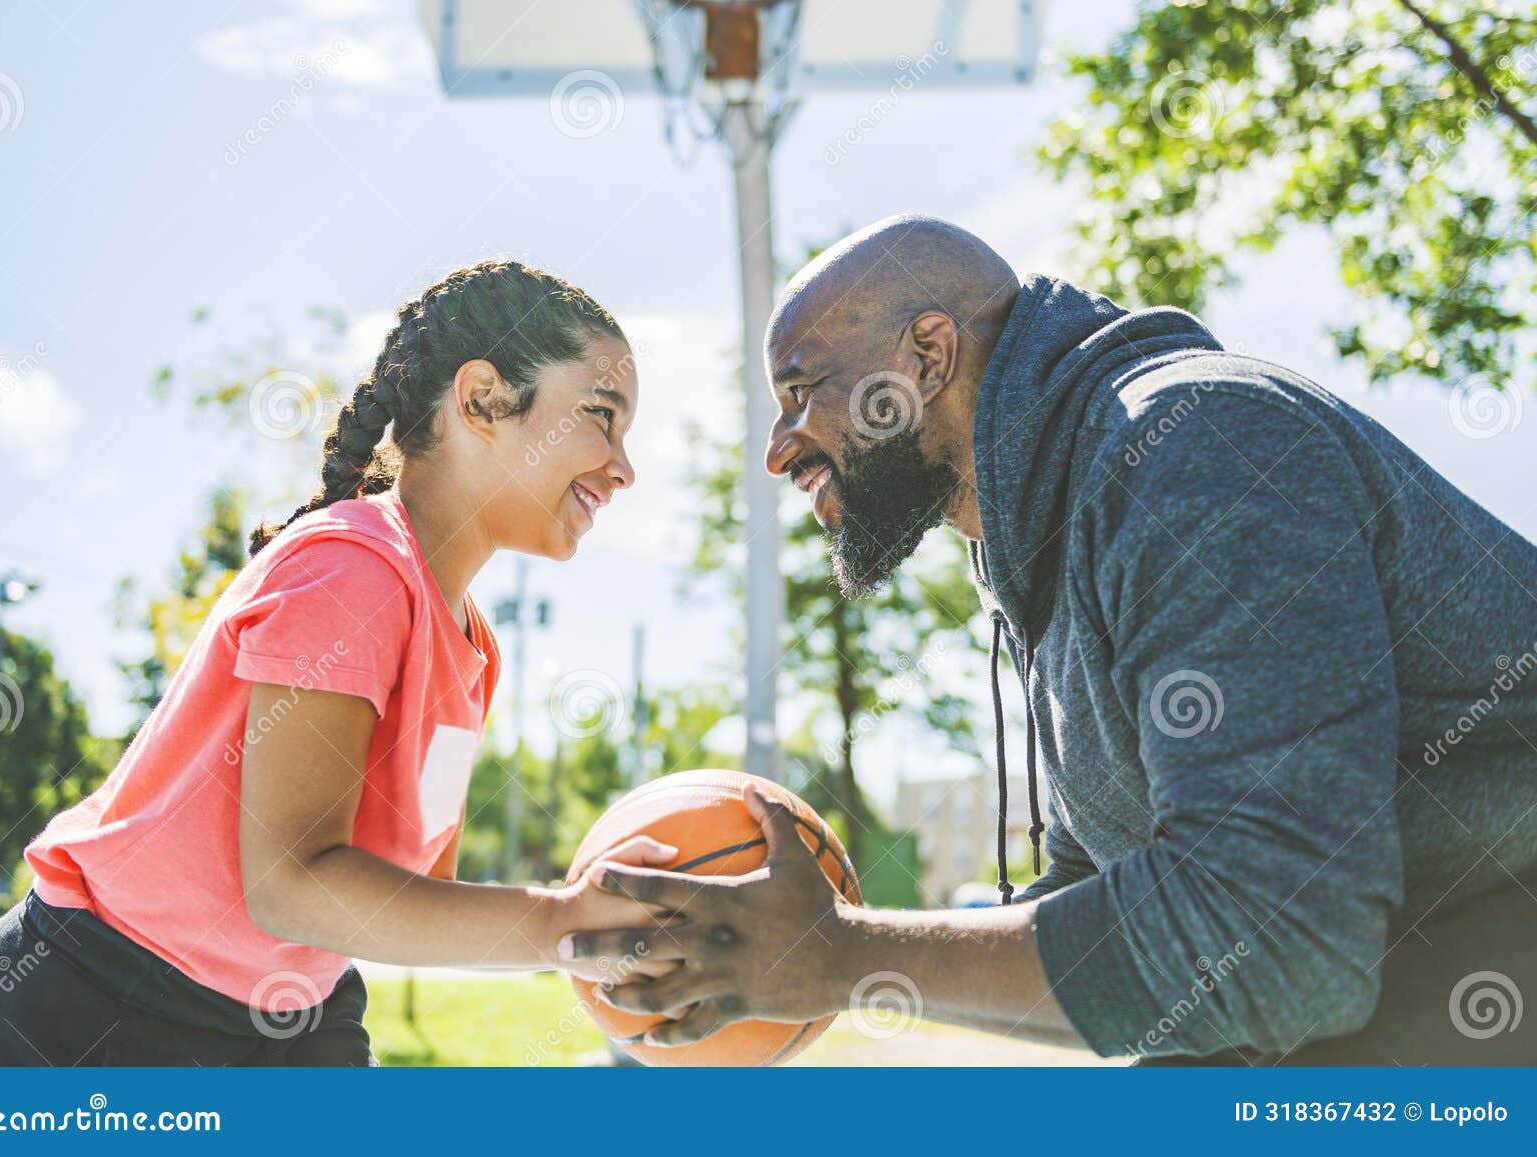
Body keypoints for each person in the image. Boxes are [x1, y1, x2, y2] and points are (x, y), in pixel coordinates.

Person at [561, 215, 1537, 1065]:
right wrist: (791, 937)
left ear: (928, 357)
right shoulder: (1050, 533)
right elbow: (1102, 877)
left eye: (802, 387)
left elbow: (1274, 937)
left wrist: (845, 954)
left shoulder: (1201, 455)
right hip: (1408, 948)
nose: (777, 445)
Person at [0, 260, 675, 1067]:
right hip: (91, 1009)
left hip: (282, 1020)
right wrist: (556, 923)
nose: (623, 465)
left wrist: (596, 913)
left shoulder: (473, 652)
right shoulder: (352, 571)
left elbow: (414, 892)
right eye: (602, 416)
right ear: (481, 400)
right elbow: (290, 884)